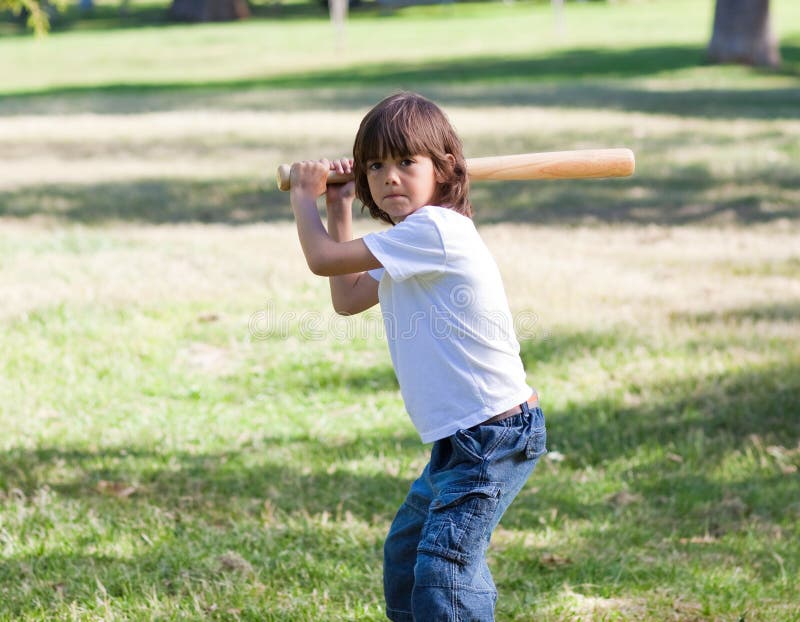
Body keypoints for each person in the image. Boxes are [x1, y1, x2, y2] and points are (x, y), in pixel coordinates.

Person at [288, 92, 547, 622]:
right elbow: (347, 296)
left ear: (444, 169)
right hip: (460, 440)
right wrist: (338, 207)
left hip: (492, 434)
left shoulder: (436, 231)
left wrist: (303, 197)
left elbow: (323, 262)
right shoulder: (410, 244)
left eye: (407, 162)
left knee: (444, 576)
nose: (389, 177)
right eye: (375, 166)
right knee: (407, 559)